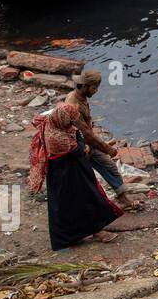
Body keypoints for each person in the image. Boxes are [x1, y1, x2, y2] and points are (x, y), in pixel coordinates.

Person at [28, 102, 122, 250]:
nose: (72, 124)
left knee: (72, 203)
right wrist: (82, 146)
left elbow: (79, 140)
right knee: (82, 200)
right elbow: (78, 149)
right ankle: (93, 231)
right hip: (66, 173)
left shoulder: (54, 124)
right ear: (62, 119)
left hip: (68, 171)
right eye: (70, 120)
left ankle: (75, 235)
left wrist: (82, 145)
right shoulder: (57, 138)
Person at [64, 69, 140, 212]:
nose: (96, 91)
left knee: (109, 168)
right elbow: (86, 134)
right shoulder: (74, 105)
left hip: (86, 144)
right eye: (94, 88)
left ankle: (122, 199)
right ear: (85, 86)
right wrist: (107, 149)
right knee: (88, 178)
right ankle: (90, 210)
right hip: (79, 147)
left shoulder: (80, 97)